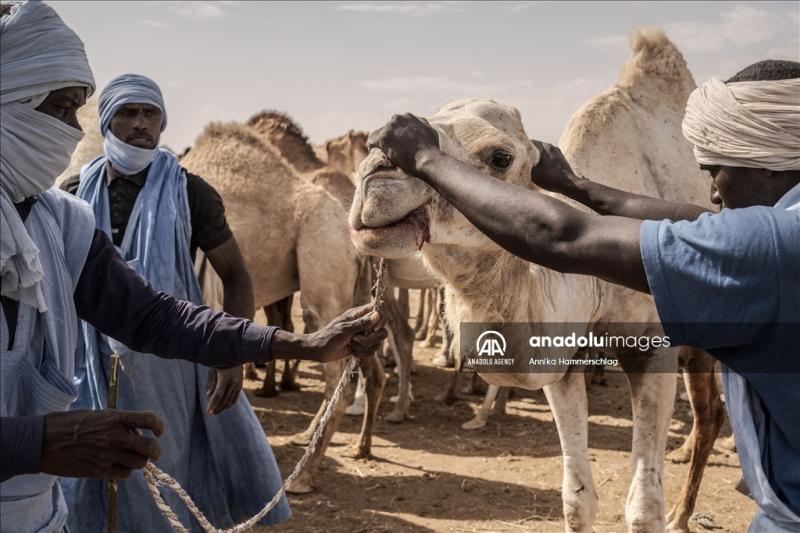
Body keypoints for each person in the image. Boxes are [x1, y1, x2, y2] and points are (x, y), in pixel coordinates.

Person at [0, 3, 386, 531]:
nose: (71, 131)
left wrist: (298, 344)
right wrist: (39, 442)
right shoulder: (76, 195)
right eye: (61, 109)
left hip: (37, 512)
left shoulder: (60, 221)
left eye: (78, 111)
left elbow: (152, 316)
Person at [367, 60, 799, 531]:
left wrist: (428, 161)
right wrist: (576, 186)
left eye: (717, 169)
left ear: (768, 156)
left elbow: (563, 239)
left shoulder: (770, 249)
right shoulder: (782, 231)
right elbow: (693, 220)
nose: (713, 193)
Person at [56, 73, 292, 531]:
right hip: (87, 358)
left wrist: (231, 355)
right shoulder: (71, 195)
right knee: (86, 472)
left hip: (171, 361)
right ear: (107, 120)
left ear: (162, 124)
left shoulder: (191, 192)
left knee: (170, 467)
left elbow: (237, 277)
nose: (140, 124)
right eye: (128, 112)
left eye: (150, 114)